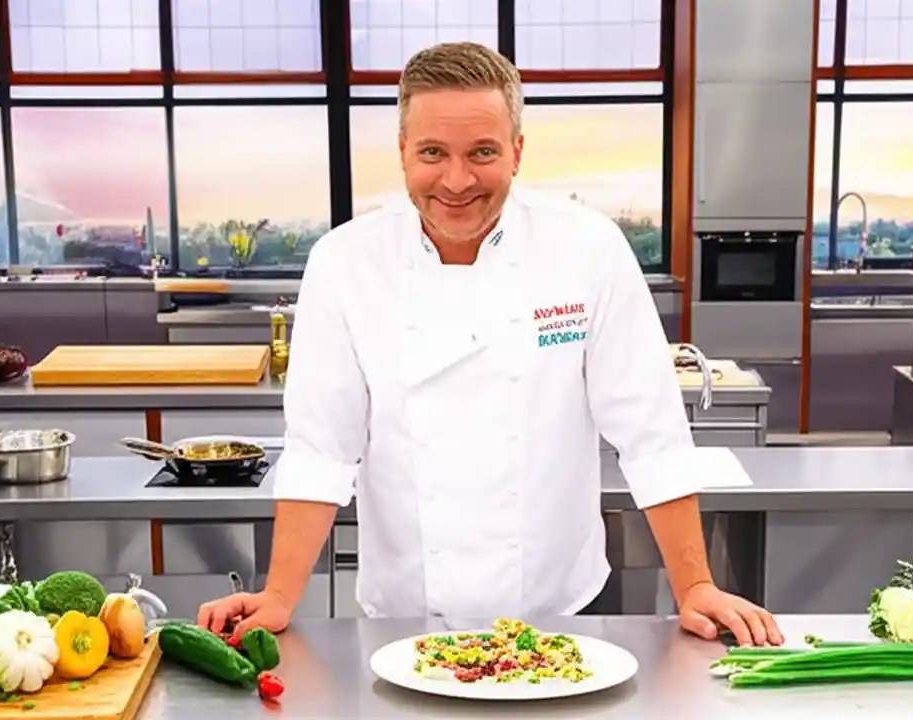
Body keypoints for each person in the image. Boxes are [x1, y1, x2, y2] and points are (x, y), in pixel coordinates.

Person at [198, 42, 783, 647]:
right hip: (403, 619)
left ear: (517, 152)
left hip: (561, 612)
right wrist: (278, 596)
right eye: (432, 153)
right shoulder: (344, 263)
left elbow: (651, 434)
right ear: (402, 152)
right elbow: (322, 448)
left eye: (482, 152)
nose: (456, 180)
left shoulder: (587, 249)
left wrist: (695, 587)